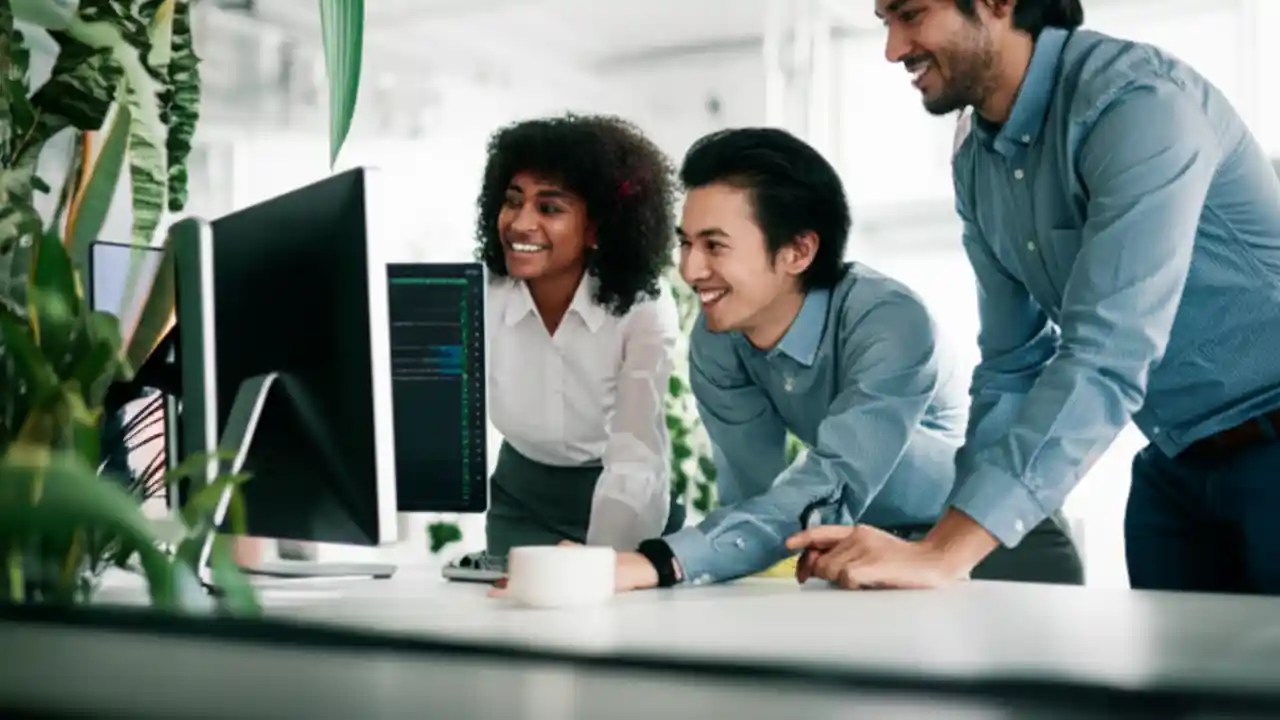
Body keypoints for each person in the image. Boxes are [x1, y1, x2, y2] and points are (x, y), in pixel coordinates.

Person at [791, 0, 1280, 594]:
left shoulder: (1140, 103)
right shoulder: (975, 161)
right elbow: (1012, 367)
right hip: (1175, 460)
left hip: (1270, 440)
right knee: (1176, 685)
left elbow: (1109, 352)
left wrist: (947, 550)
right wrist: (943, 547)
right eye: (885, 23)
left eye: (911, 15)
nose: (893, 48)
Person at [603, 127, 1082, 592]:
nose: (689, 269)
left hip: (996, 540)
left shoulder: (889, 321)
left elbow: (831, 484)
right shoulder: (718, 340)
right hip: (866, 551)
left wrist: (659, 561)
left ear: (798, 251)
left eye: (714, 246)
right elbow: (754, 496)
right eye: (685, 243)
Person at [471, 114, 683, 561]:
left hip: (626, 490)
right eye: (513, 201)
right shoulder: (481, 294)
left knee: (617, 623)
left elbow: (636, 452)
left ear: (597, 228)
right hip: (520, 494)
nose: (520, 223)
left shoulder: (642, 306)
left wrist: (604, 562)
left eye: (549, 208)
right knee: (513, 627)